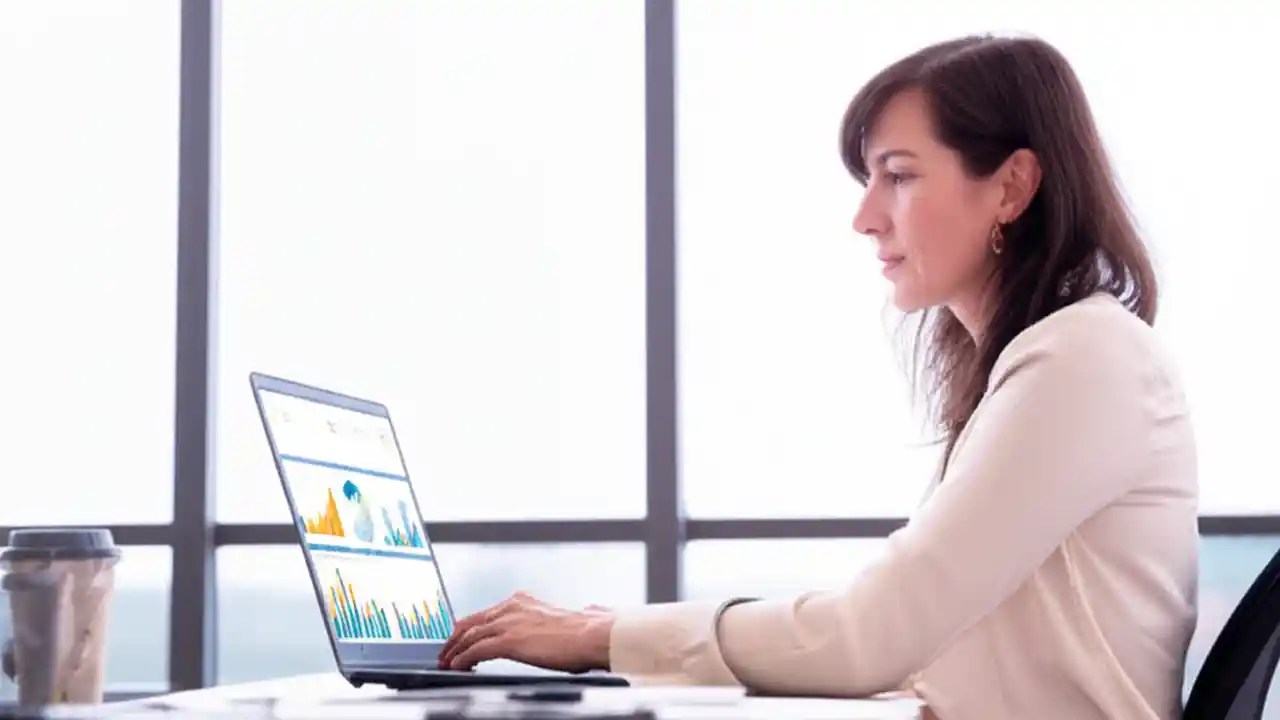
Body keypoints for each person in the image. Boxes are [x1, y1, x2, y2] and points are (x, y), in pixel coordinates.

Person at [438, 33, 1198, 720]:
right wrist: (626, 644)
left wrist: (602, 636)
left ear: (1010, 186)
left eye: (897, 176)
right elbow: (912, 645)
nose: (866, 216)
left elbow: (868, 636)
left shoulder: (1082, 359)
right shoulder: (1052, 361)